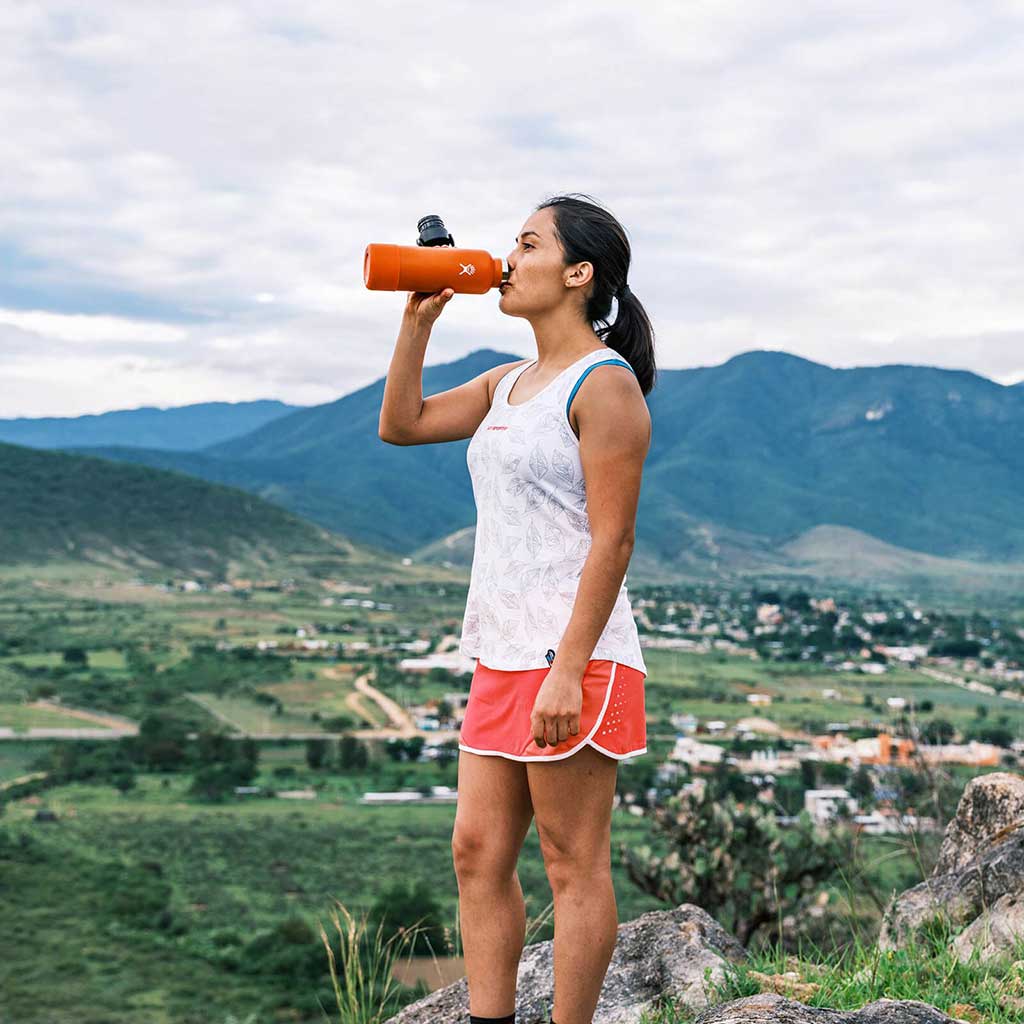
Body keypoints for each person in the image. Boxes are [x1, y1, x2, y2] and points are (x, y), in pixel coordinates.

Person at [378, 193, 656, 1024]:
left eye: (528, 244)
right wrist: (418, 321)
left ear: (579, 274)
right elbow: (403, 423)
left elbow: (612, 543)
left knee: (571, 862)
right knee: (476, 854)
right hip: (501, 651)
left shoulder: (604, 388)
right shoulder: (507, 382)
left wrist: (568, 669)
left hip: (574, 657)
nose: (508, 258)